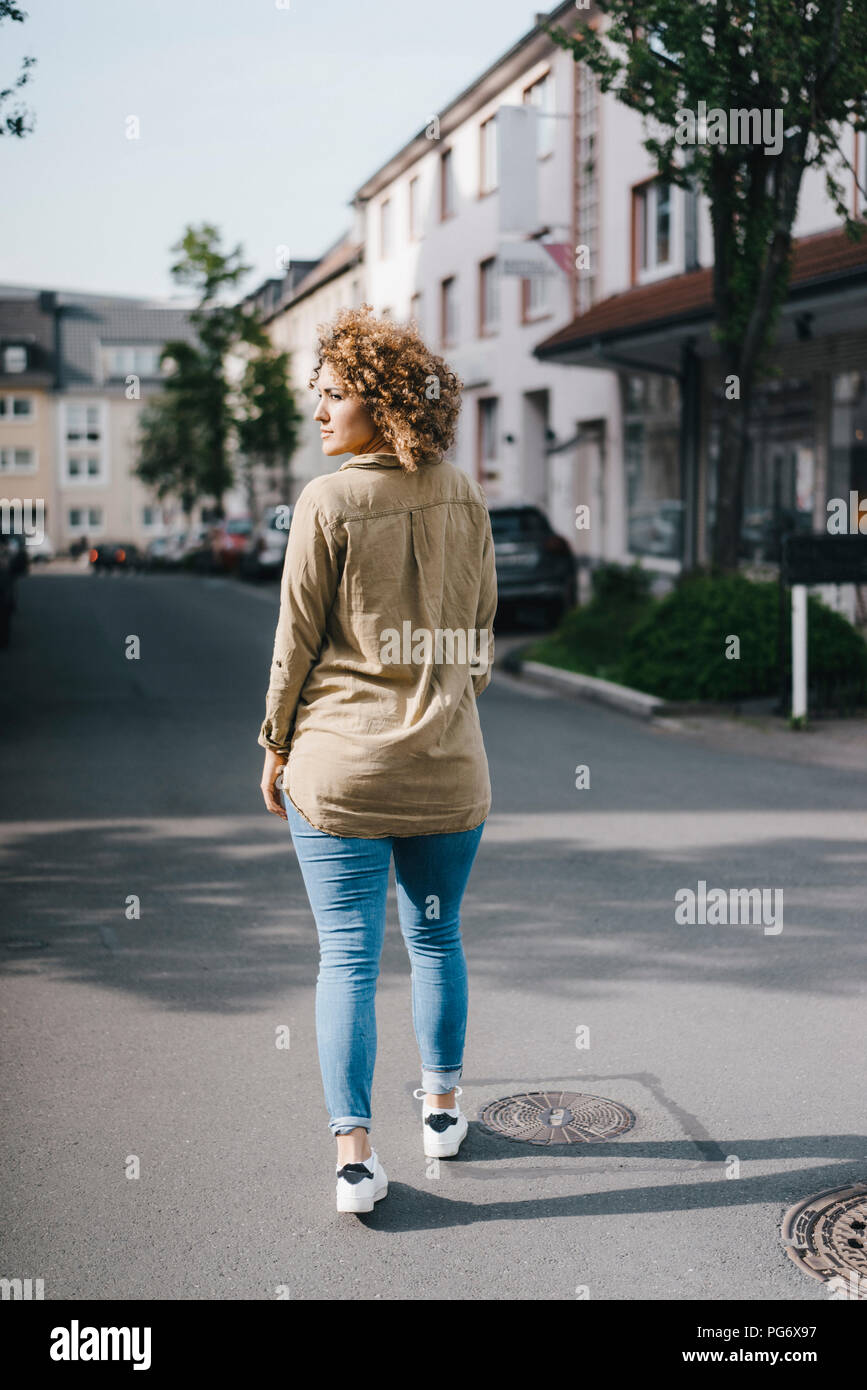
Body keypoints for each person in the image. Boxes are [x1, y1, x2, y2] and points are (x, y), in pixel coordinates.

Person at [258, 304, 496, 1213]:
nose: (318, 413)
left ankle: (355, 1159)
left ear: (385, 400)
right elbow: (479, 634)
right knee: (436, 937)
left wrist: (275, 743)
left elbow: (295, 642)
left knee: (348, 957)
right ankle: (441, 1112)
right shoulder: (462, 493)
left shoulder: (327, 502)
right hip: (447, 768)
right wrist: (441, 714)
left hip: (341, 772)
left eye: (332, 396)